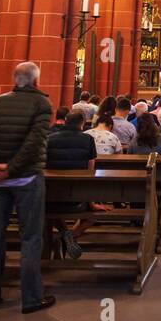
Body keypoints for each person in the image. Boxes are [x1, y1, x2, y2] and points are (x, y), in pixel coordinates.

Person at [0, 61, 54, 314]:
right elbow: (34, 142)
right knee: (30, 238)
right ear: (36, 81)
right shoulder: (41, 103)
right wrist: (11, 168)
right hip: (27, 178)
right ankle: (31, 298)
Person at [45, 110, 98, 259]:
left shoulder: (50, 138)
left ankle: (64, 234)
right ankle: (68, 237)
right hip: (77, 199)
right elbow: (90, 171)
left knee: (50, 210)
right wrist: (91, 202)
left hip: (50, 196)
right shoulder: (87, 139)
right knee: (91, 215)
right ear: (82, 123)